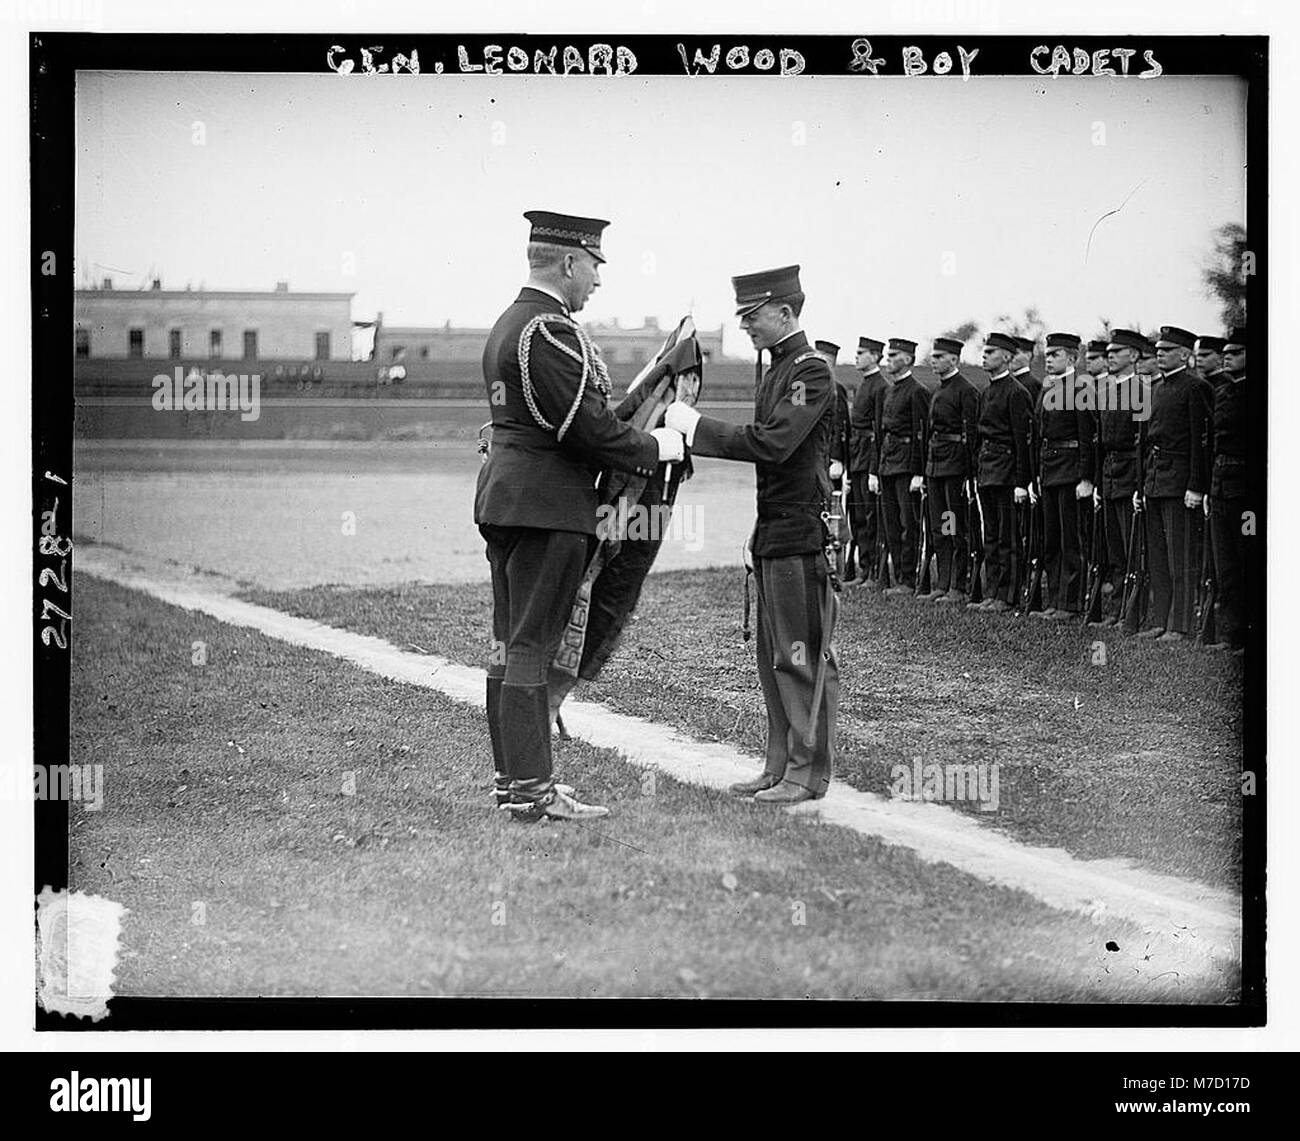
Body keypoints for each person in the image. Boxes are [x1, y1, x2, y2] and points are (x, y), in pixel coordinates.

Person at [475, 209, 685, 821]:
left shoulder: (512, 323)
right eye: (594, 265)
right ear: (568, 261)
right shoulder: (547, 331)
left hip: (514, 500)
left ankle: (515, 786)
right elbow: (584, 428)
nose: (597, 278)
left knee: (511, 646)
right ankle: (532, 793)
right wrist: (657, 447)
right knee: (532, 648)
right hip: (548, 507)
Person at [665, 266, 837, 805]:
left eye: (752, 316)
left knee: (799, 655)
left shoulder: (811, 372)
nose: (745, 326)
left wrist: (695, 427)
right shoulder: (779, 370)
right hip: (773, 533)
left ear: (785, 312)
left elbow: (774, 444)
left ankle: (807, 775)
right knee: (773, 659)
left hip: (797, 535)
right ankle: (779, 765)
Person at [1134, 325, 1213, 642]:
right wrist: (1141, 486)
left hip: (1180, 482)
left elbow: (1201, 441)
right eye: (1158, 350)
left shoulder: (1196, 388)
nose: (1159, 354)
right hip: (1154, 480)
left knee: (1180, 557)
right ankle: (1160, 620)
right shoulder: (1154, 389)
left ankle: (1179, 625)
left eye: (1166, 350)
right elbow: (1143, 442)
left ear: (1185, 354)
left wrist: (1196, 486)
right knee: (1158, 557)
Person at [1033, 333, 1098, 620]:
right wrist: (1038, 474)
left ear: (1073, 358)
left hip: (1071, 471)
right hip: (1049, 470)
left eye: (1055, 354)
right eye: (1047, 354)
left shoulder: (1081, 387)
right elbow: (1039, 435)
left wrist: (1086, 478)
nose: (1049, 359)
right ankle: (1056, 600)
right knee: (1052, 540)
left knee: (1071, 540)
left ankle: (1070, 603)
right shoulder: (1047, 388)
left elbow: (1088, 436)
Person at [970, 332, 1032, 613]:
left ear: (1006, 357)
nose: (985, 355)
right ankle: (993, 591)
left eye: (991, 351)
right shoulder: (986, 392)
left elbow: (1022, 441)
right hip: (987, 470)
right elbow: (979, 437)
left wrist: (1022, 482)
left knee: (1008, 537)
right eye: (985, 351)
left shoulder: (1017, 392)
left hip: (1007, 472)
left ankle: (1007, 596)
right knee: (991, 536)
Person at [1091, 329, 1149, 626]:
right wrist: (1099, 483)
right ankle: (1115, 611)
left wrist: (1140, 486)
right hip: (1110, 476)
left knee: (1131, 549)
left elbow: (1144, 442)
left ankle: (1133, 612)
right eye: (1109, 351)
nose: (1110, 356)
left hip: (1131, 475)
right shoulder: (1105, 392)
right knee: (1113, 549)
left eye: (1117, 351)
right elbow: (1100, 442)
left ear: (1134, 356)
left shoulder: (1143, 391)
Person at [1203, 327, 1253, 652]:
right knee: (1226, 568)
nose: (1227, 357)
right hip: (1221, 486)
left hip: (1245, 491)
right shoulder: (1222, 392)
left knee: (1248, 562)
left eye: (1234, 353)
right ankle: (1232, 635)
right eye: (1226, 353)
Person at [920, 336, 979, 602]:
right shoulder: (938, 390)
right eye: (933, 357)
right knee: (940, 528)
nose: (933, 361)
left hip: (955, 467)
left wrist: (969, 475)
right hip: (936, 467)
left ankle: (958, 585)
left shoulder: (965, 391)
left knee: (954, 527)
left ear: (953, 359)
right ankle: (942, 584)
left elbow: (971, 435)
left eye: (939, 357)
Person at [871, 337, 930, 595]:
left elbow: (921, 433)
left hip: (906, 464)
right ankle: (896, 577)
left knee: (909, 523)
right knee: (891, 524)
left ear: (907, 359)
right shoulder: (889, 390)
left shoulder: (917, 391)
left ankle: (909, 578)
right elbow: (880, 432)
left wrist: (918, 471)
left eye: (894, 356)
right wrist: (876, 468)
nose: (888, 360)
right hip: (888, 462)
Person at [845, 336, 887, 585]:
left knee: (871, 516)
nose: (857, 356)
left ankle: (872, 570)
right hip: (857, 455)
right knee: (858, 515)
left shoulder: (881, 387)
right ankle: (863, 569)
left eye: (862, 352)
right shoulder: (864, 384)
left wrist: (873, 469)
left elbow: (879, 432)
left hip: (869, 455)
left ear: (875, 356)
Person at [816, 339, 854, 578]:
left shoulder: (836, 389)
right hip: (810, 457)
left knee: (833, 511)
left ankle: (834, 560)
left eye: (826, 361)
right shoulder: (803, 386)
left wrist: (838, 460)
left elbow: (841, 427)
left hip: (829, 461)